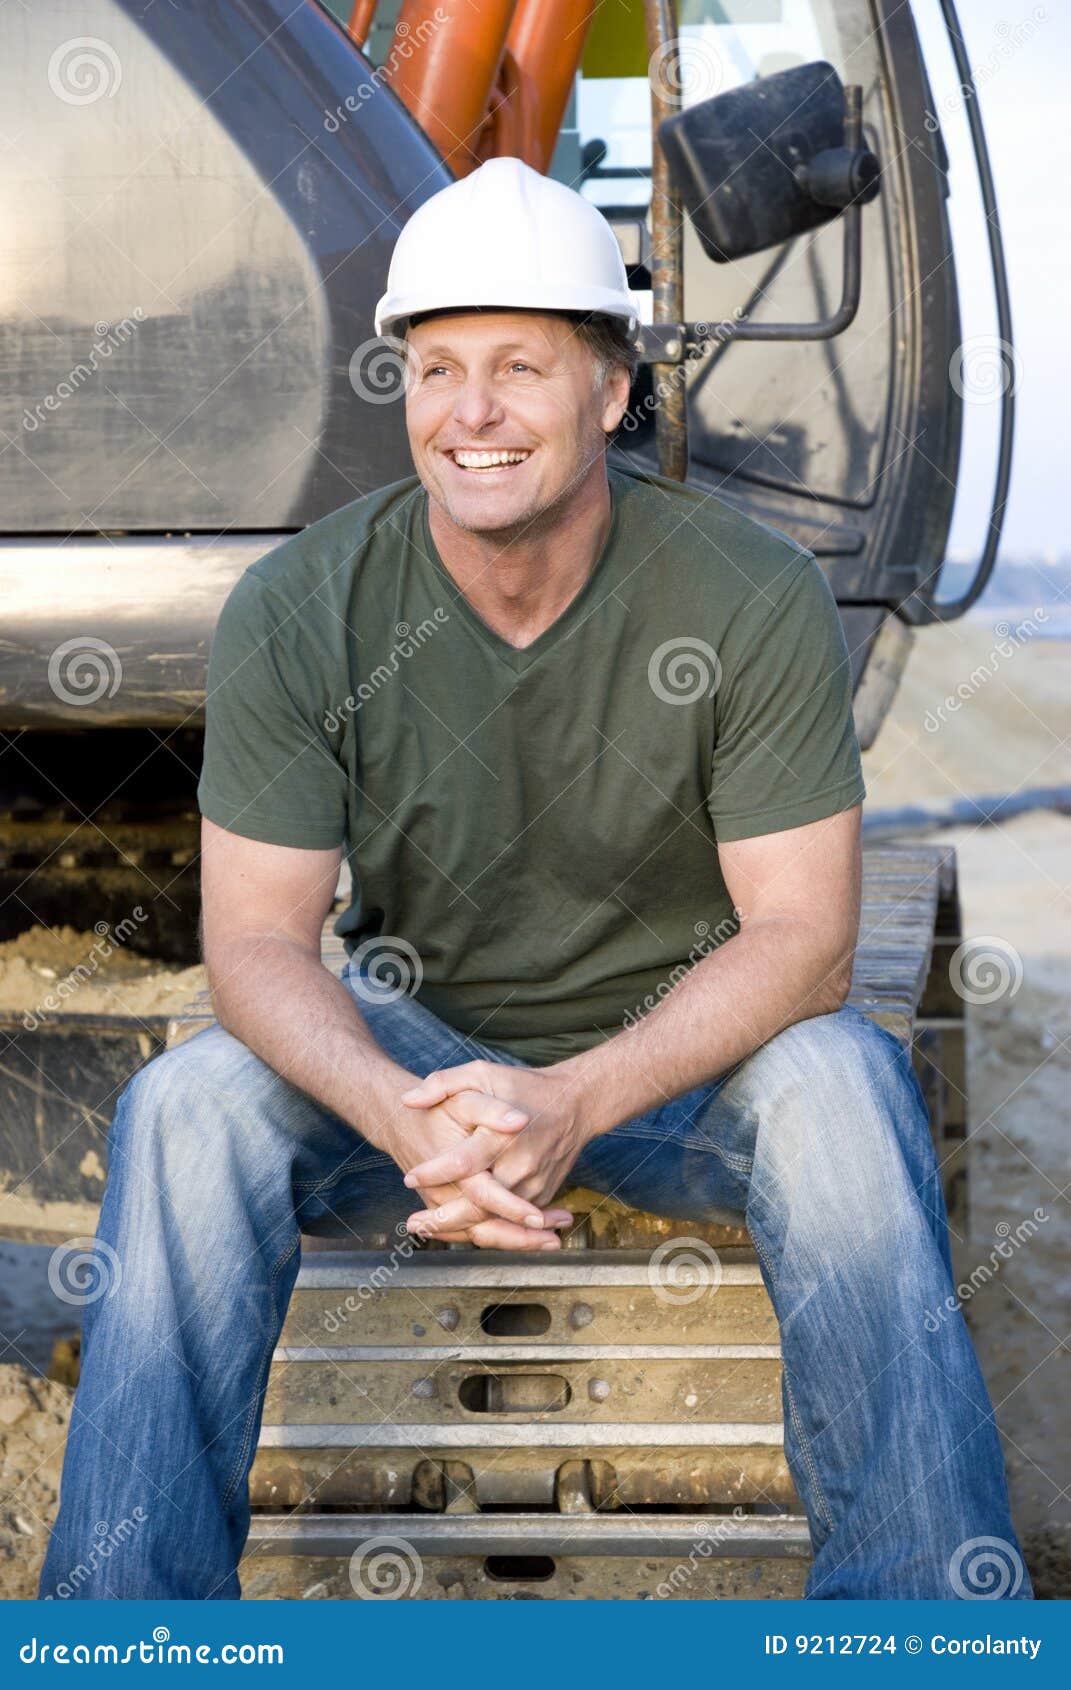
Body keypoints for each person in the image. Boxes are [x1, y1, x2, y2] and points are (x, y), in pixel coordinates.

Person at [40, 156, 1028, 1601]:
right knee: (187, 1104)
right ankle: (123, 1624)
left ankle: (917, 1617)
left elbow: (808, 942)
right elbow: (255, 941)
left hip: (682, 1069)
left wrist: (572, 1101)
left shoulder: (747, 596)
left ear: (611, 392)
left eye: (520, 366)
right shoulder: (305, 605)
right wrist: (397, 1108)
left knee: (845, 1086)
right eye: (437, 369)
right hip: (420, 1070)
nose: (473, 412)